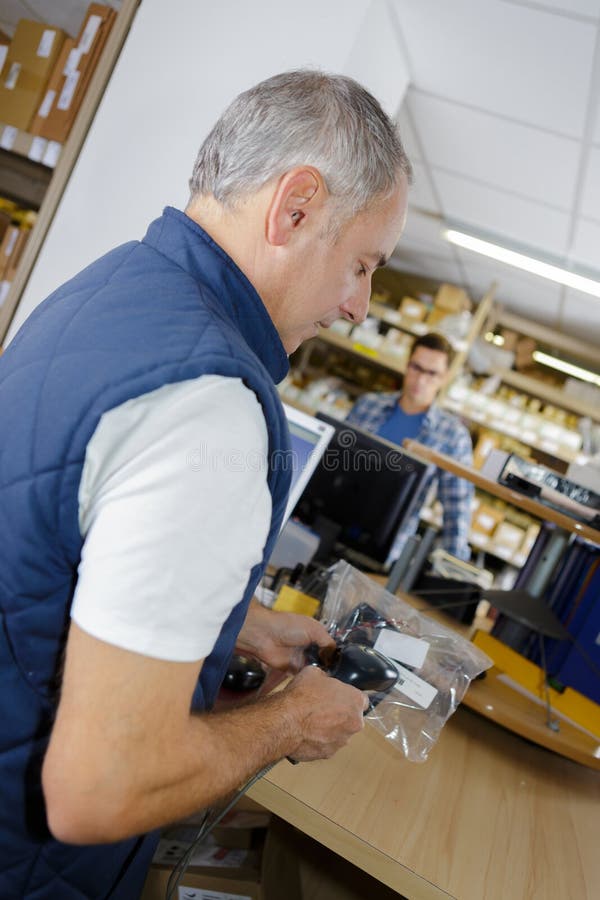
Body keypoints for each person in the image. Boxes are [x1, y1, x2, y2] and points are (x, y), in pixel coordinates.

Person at [0, 70, 411, 899]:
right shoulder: (212, 406)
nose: (359, 306)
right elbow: (99, 790)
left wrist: (234, 620)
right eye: (363, 264)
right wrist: (291, 719)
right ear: (295, 208)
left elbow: (50, 539)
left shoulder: (112, 289)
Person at [347, 332, 474, 561]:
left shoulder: (453, 436)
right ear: (407, 364)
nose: (421, 379)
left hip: (386, 550)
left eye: (432, 373)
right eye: (416, 367)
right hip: (333, 522)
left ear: (445, 377)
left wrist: (454, 571)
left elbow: (457, 508)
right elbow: (330, 461)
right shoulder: (368, 405)